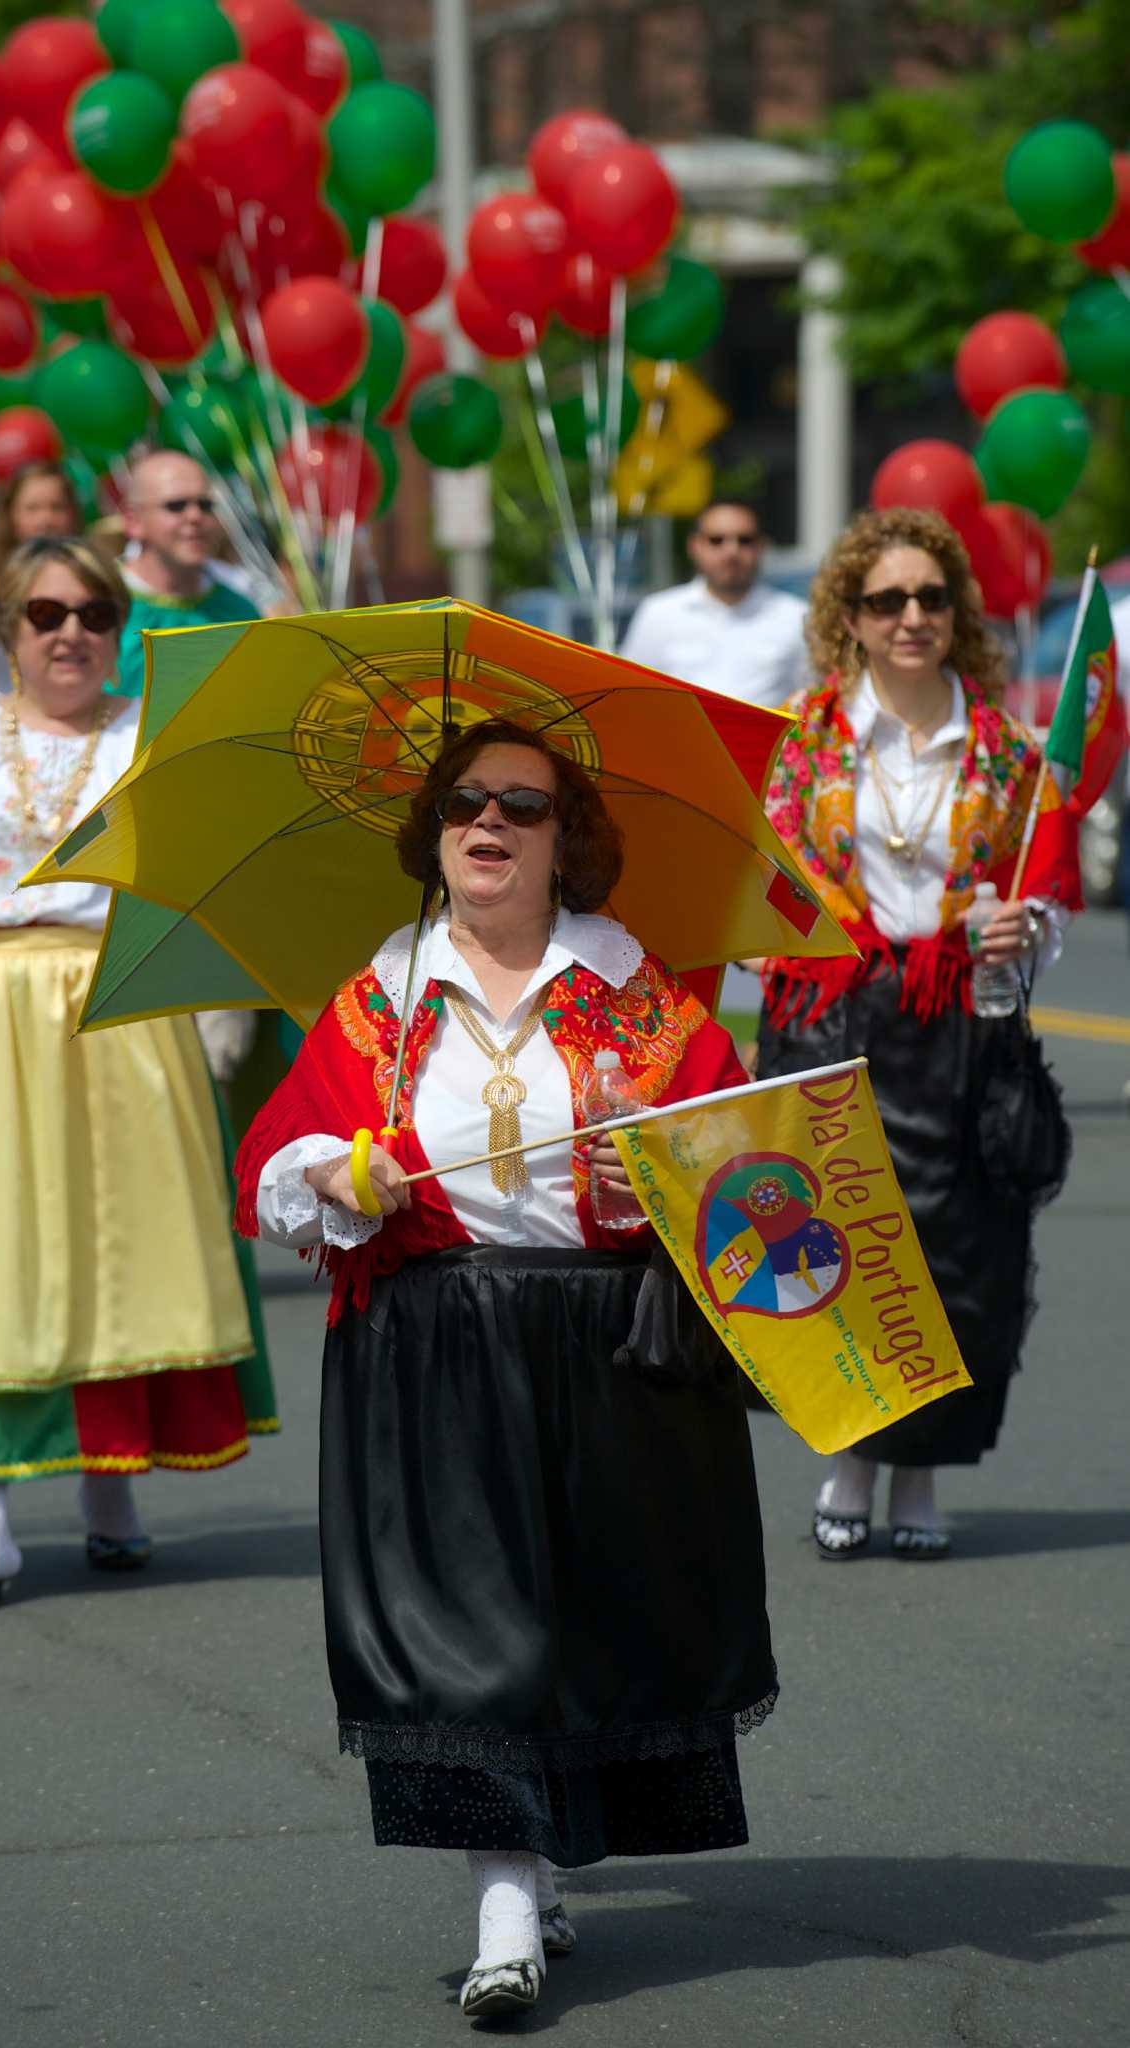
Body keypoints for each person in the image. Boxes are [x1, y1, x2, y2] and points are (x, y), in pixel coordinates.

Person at [235, 717, 777, 2022]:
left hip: (604, 1353)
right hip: (431, 1345)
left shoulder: (638, 992)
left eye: (521, 807)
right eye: (465, 802)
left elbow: (750, 1169)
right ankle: (501, 1913)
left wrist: (650, 1179)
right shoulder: (385, 994)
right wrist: (339, 1171)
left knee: (582, 1629)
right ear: (432, 835)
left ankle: (538, 1869)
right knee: (470, 1645)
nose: (487, 823)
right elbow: (269, 1171)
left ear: (565, 842)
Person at [0, 537, 276, 1617]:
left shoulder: (153, 738)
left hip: (116, 1003)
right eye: (45, 612)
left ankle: (112, 1484)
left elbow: (215, 875)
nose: (72, 631)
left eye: (97, 612)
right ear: (9, 629)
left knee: (122, 1249)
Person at [756, 506, 1080, 1560]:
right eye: (887, 598)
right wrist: (766, 937)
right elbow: (754, 876)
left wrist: (1018, 929)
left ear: (956, 613)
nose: (911, 616)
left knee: (958, 1257)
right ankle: (850, 1458)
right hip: (834, 1020)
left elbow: (1051, 892)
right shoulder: (801, 735)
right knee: (836, 1249)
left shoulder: (1005, 747)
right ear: (850, 613)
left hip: (957, 1025)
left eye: (931, 598)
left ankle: (923, 1473)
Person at [619, 497, 811, 708]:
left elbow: (813, 700)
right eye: (716, 540)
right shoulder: (659, 613)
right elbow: (629, 694)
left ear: (762, 546)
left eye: (744, 540)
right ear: (694, 546)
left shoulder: (796, 617)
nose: (731, 551)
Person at [116, 451, 261, 698]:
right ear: (134, 521)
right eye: (176, 506)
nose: (195, 516)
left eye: (205, 505)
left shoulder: (241, 612)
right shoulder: (95, 607)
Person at [0, 461, 83, 689]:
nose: (46, 520)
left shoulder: (90, 584)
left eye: (56, 507)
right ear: (11, 516)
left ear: (72, 514)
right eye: (32, 508)